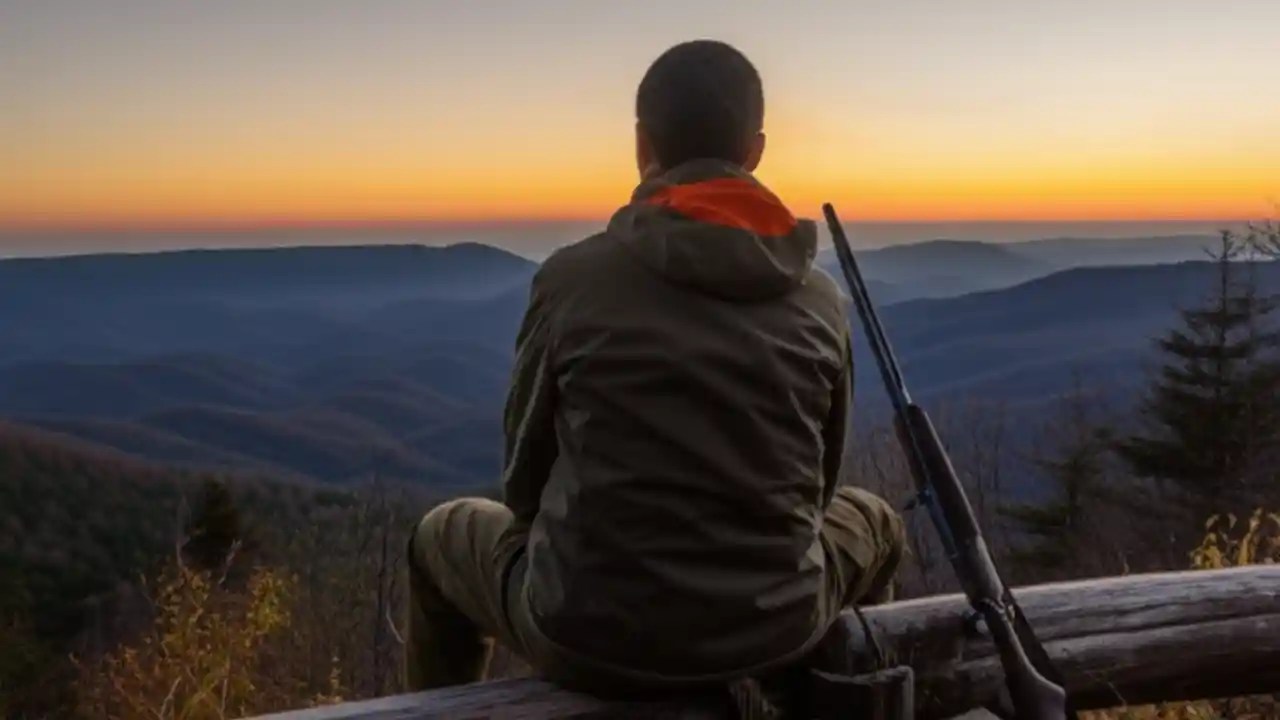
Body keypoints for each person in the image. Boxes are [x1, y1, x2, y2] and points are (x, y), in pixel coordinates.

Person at [405, 39, 905, 695]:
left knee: (436, 536)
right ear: (754, 150)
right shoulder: (819, 299)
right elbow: (818, 491)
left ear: (643, 145)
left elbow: (524, 484)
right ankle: (847, 695)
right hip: (778, 628)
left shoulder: (571, 281)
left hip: (586, 636)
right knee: (877, 522)